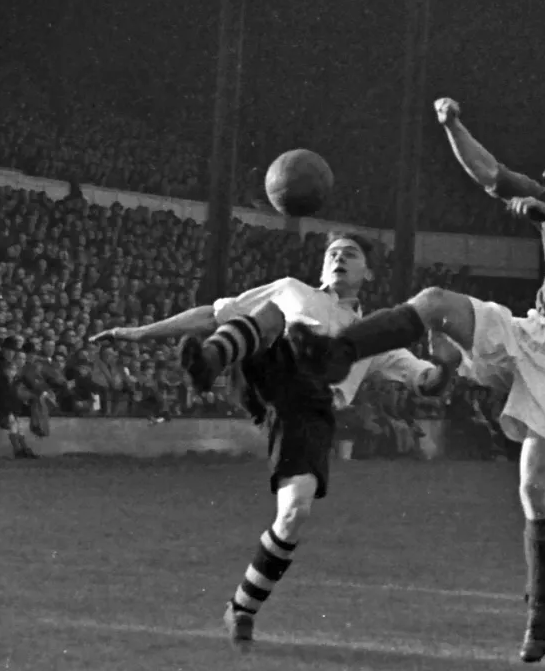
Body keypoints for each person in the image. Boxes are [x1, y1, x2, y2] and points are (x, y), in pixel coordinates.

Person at [290, 100, 545, 662]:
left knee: (533, 489)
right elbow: (489, 175)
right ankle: (339, 351)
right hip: (530, 331)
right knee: (433, 302)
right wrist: (451, 123)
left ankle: (543, 608)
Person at [91, 233, 454, 646]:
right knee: (274, 314)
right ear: (322, 267)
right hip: (270, 367)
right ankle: (209, 360)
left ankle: (241, 608)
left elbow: (426, 380)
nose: (338, 258)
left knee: (295, 512)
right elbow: (214, 314)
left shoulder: (374, 335)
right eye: (331, 253)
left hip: (307, 409)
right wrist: (139, 333)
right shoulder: (292, 289)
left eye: (349, 254)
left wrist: (446, 363)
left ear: (367, 272)